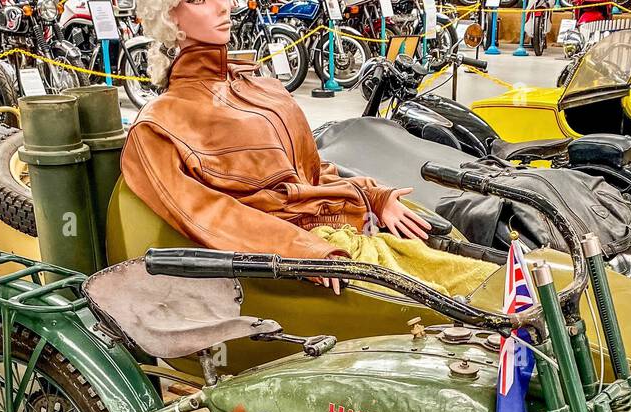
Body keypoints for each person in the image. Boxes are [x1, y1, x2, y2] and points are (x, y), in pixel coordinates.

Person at [122, 0, 496, 297]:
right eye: (198, 0)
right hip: (311, 255)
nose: (224, 6)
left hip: (347, 229)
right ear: (168, 17)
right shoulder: (161, 124)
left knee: (491, 271)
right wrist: (301, 250)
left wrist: (374, 196)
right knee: (486, 300)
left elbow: (312, 170)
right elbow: (211, 216)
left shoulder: (262, 88)